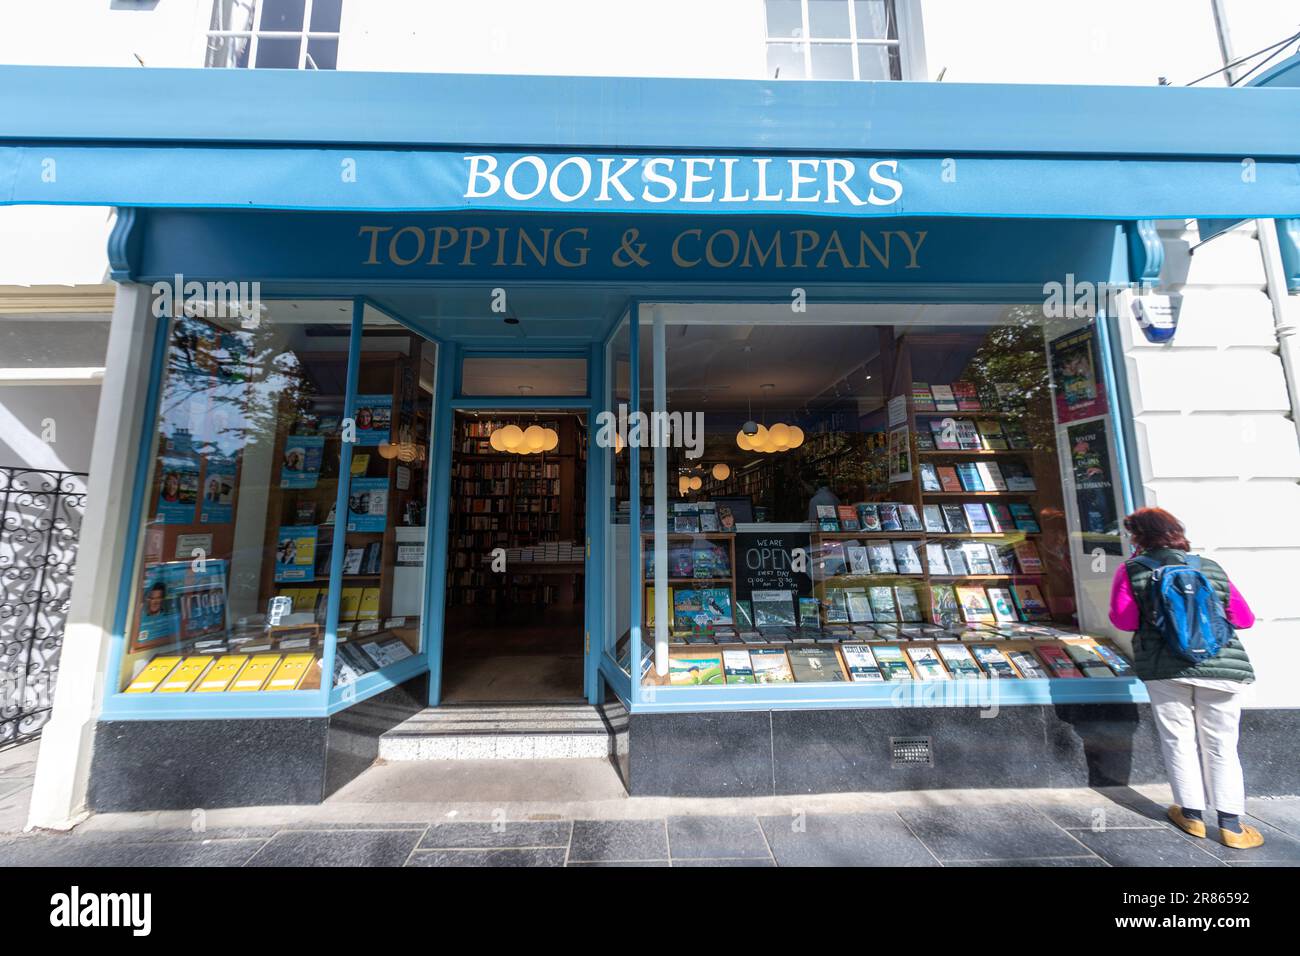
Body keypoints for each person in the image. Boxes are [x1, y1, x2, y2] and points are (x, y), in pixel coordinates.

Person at [1108, 507, 1263, 849]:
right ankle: (1231, 825)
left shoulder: (1131, 570)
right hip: (1222, 667)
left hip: (1166, 668)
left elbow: (1123, 620)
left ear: (1138, 537)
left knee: (1177, 738)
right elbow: (1244, 618)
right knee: (1222, 744)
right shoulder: (1209, 567)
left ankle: (1190, 815)